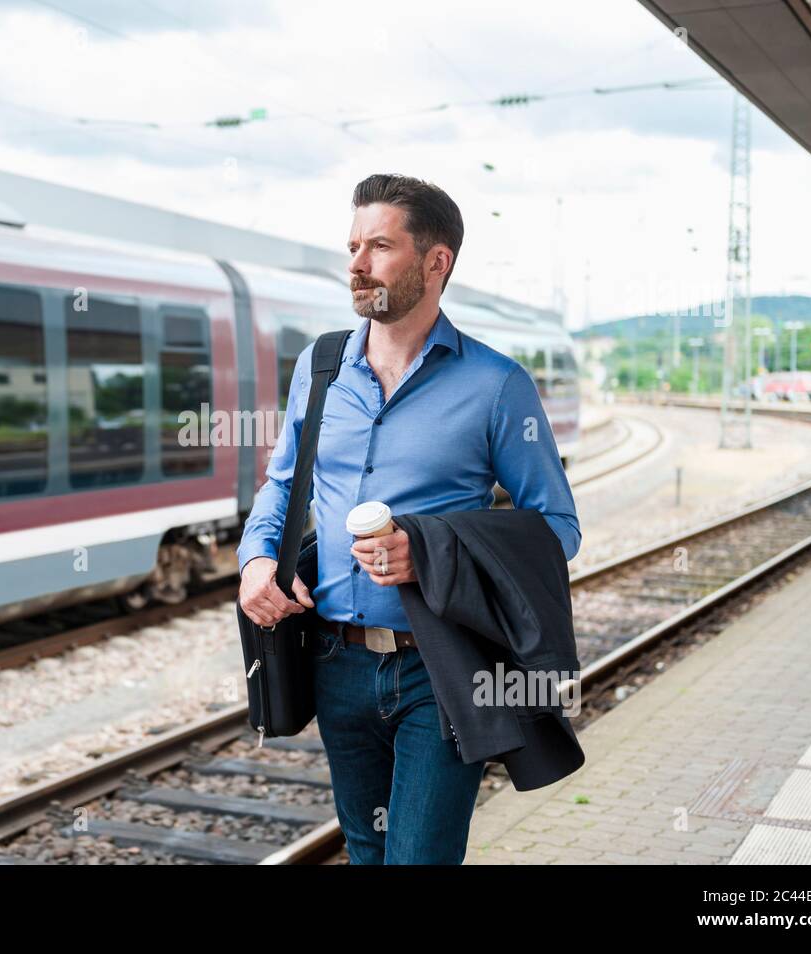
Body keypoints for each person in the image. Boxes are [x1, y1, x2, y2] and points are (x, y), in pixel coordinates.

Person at [236, 173, 580, 864]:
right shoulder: (321, 365)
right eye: (353, 245)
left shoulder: (496, 384)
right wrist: (255, 560)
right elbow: (282, 482)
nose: (357, 264)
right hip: (333, 659)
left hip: (441, 667)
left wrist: (429, 552)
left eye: (380, 246)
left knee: (418, 855)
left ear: (436, 261)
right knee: (367, 849)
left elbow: (557, 529)